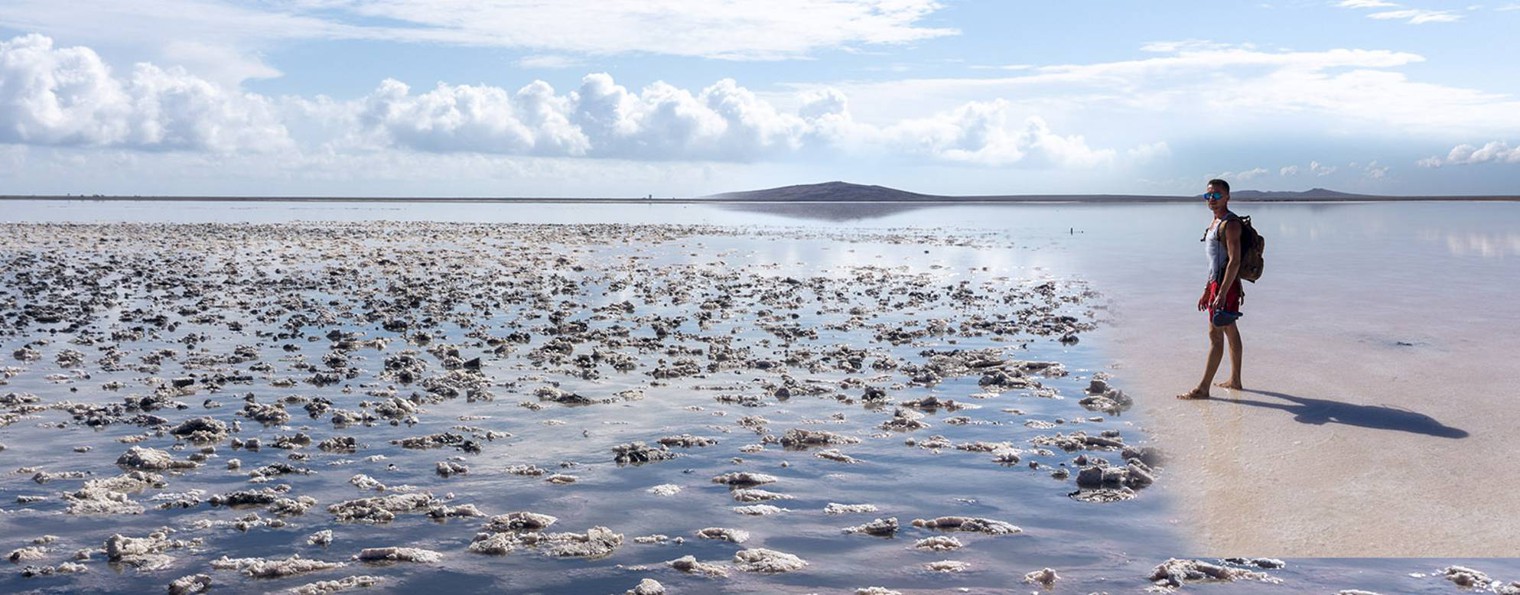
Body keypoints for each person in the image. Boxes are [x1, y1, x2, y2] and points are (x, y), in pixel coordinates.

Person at [1177, 178, 1244, 400]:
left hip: (1226, 285)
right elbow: (1214, 261)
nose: (1212, 200)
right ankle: (1235, 380)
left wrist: (1223, 292)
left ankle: (1203, 388)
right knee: (1229, 329)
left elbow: (1234, 261)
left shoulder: (1231, 224)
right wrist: (1208, 289)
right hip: (1218, 283)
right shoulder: (1215, 223)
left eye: (1217, 195)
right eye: (1208, 196)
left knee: (1216, 334)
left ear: (1227, 197)